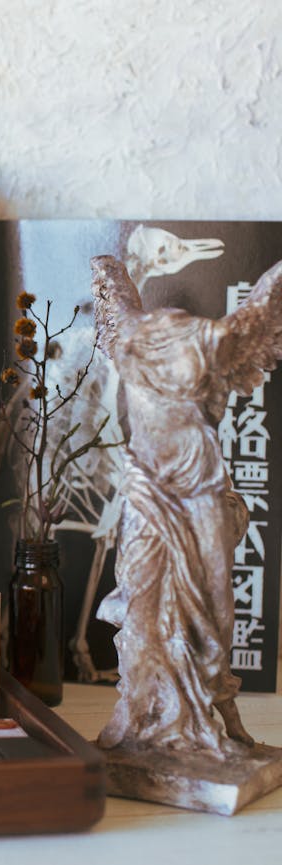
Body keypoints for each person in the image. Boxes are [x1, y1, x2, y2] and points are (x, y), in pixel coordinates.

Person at [90, 255, 282, 756]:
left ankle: (219, 715)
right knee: (141, 602)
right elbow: (111, 281)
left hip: (199, 485)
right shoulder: (135, 334)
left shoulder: (205, 339)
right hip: (149, 486)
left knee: (215, 610)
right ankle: (141, 715)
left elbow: (111, 279)